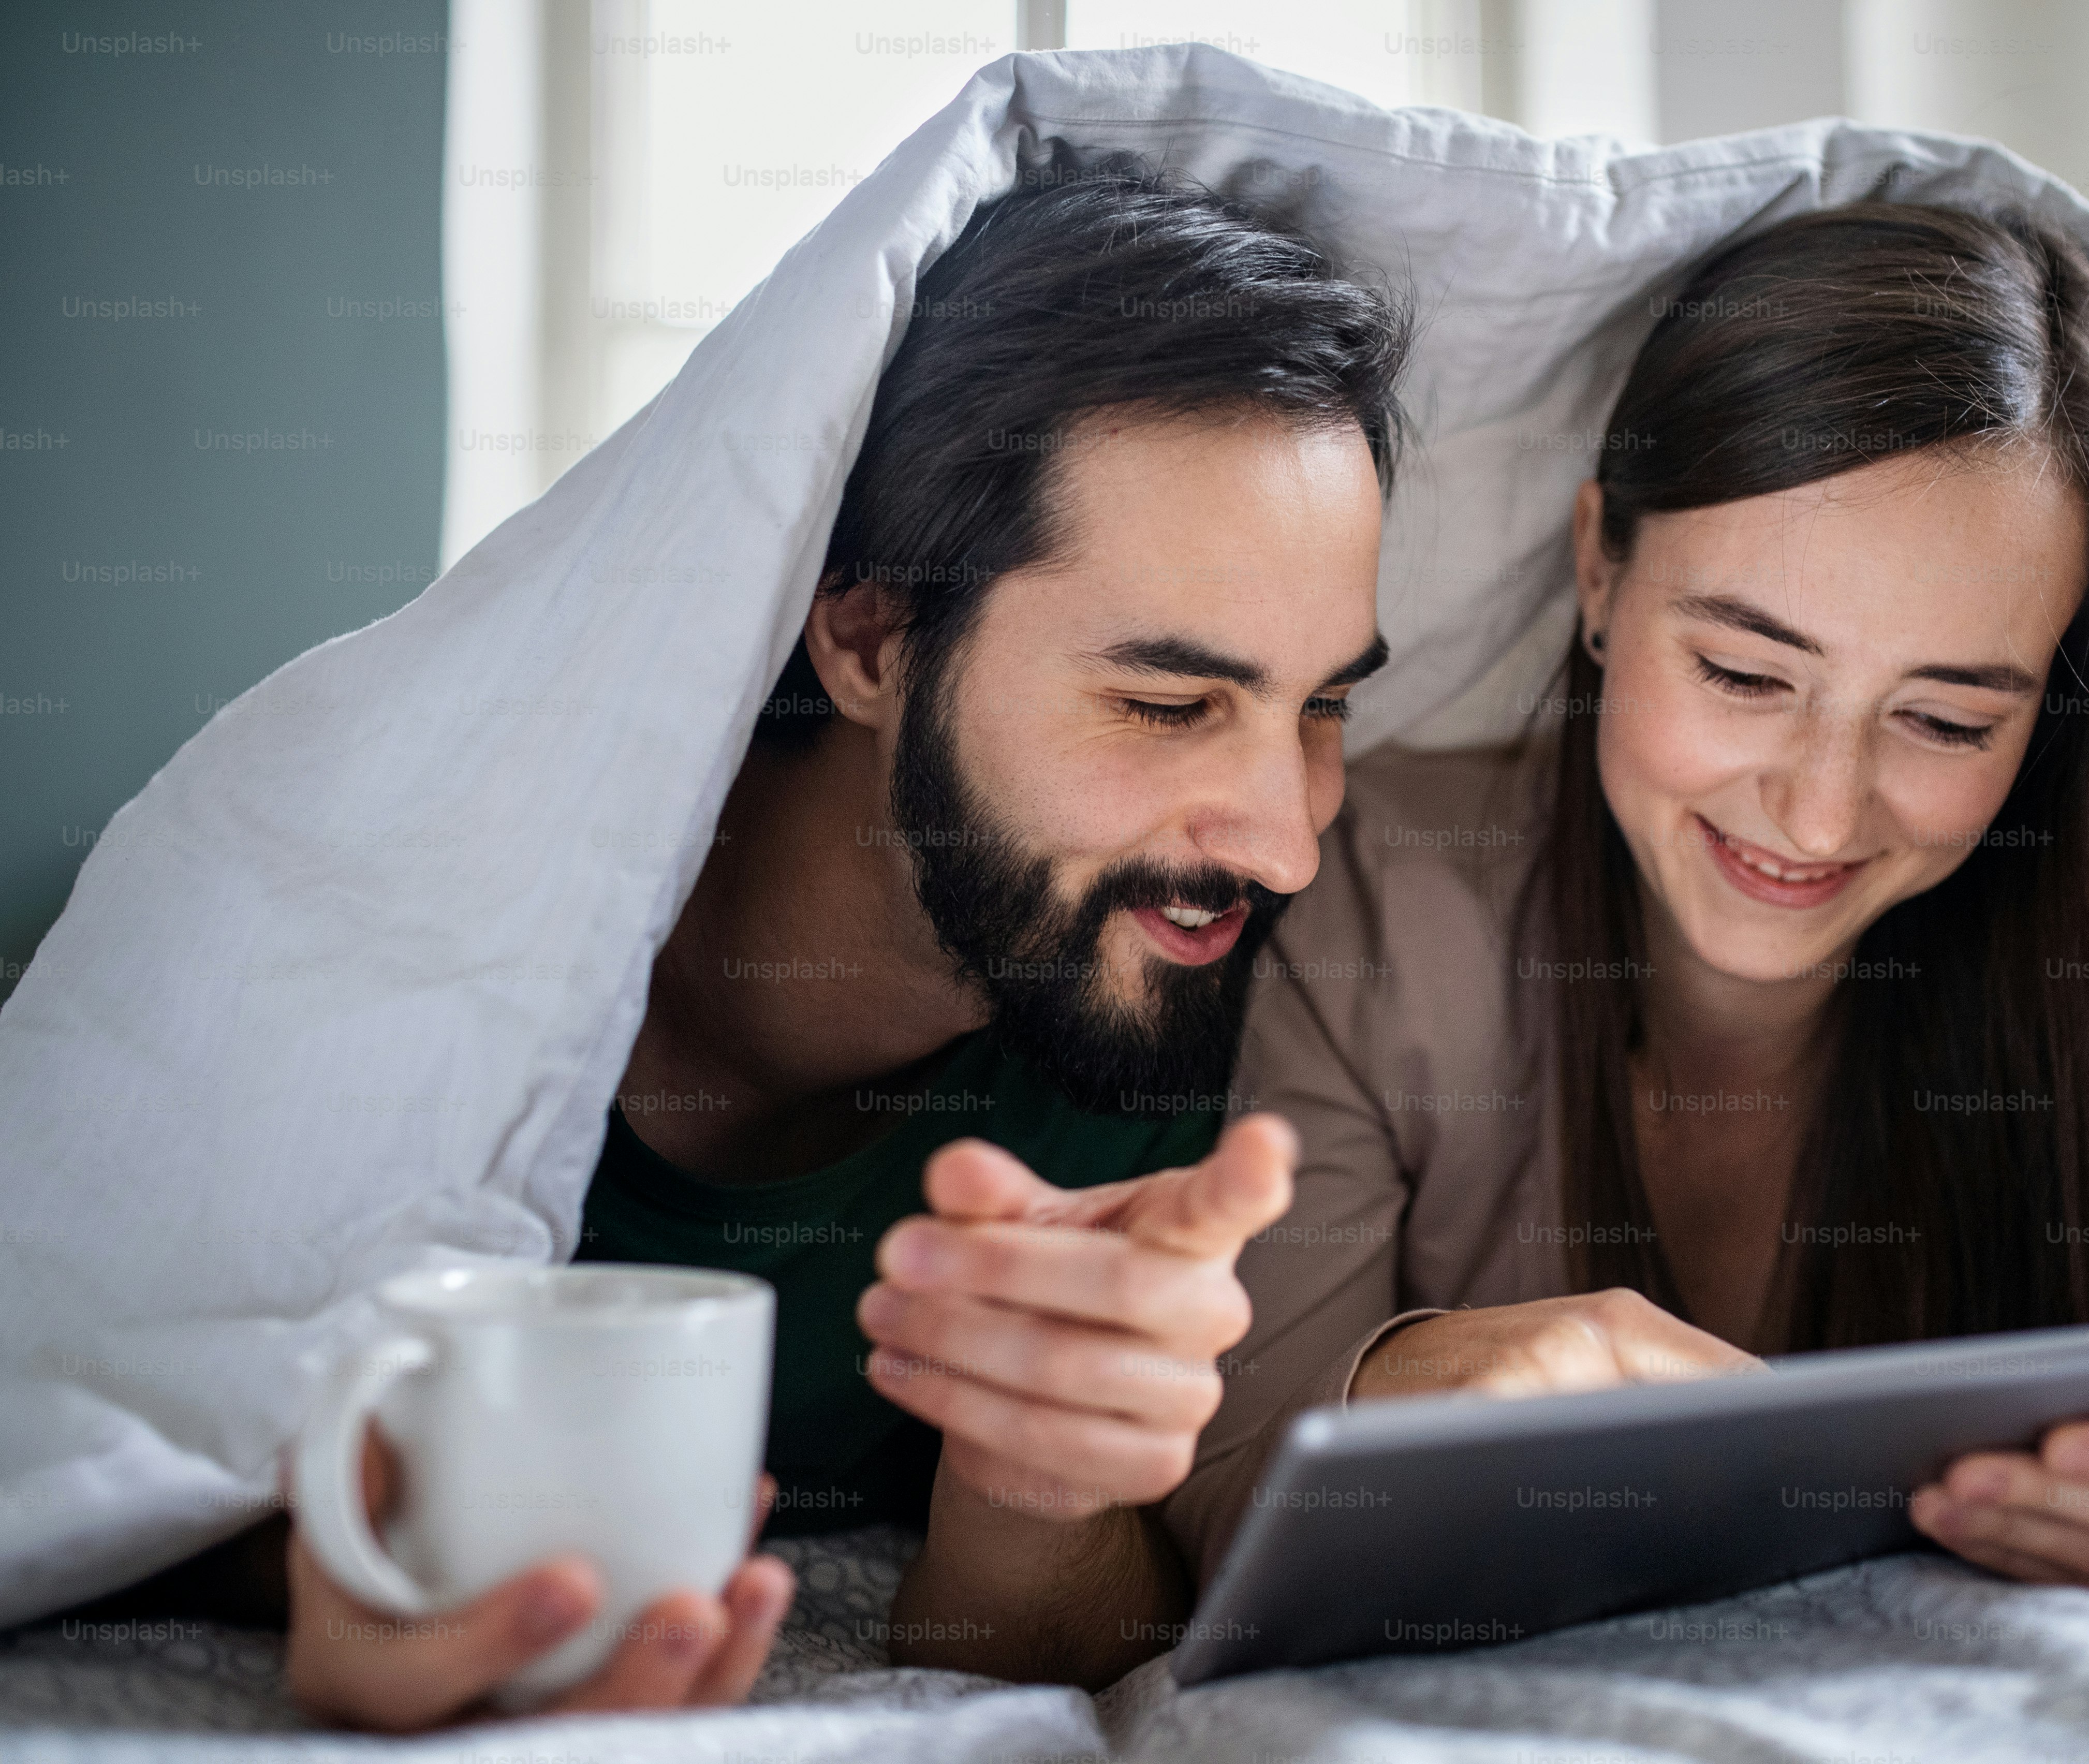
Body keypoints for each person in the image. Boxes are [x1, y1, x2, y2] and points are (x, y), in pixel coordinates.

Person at [84, 156, 1409, 1724]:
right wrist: (319, 1570)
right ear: (864, 636)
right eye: (1167, 706)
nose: (1282, 836)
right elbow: (89, 1425)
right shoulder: (389, 959)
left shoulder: (1151, 1008)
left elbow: (1048, 1653)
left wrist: (1034, 1476)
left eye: (1320, 704)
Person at [1165, 201, 2089, 1605]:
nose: (1823, 814)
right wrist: (1411, 1390)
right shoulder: (1363, 894)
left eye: (1948, 721)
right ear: (1602, 571)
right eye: (1745, 675)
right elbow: (1220, 1529)